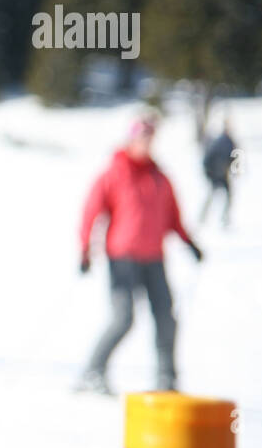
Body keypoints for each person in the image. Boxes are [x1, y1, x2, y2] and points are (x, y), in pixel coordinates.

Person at [76, 118, 202, 395]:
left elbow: (172, 215)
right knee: (123, 319)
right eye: (141, 138)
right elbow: (91, 210)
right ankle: (92, 372)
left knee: (165, 318)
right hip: (123, 257)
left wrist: (188, 241)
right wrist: (85, 249)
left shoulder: (159, 177)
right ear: (131, 140)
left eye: (150, 138)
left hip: (154, 258)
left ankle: (166, 380)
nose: (146, 143)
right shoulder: (114, 173)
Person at [199, 119, 237, 228]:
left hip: (224, 174)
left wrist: (235, 170)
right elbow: (208, 159)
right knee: (211, 195)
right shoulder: (218, 142)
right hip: (215, 174)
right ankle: (202, 217)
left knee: (228, 196)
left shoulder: (231, 142)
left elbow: (235, 157)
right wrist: (209, 173)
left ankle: (225, 218)